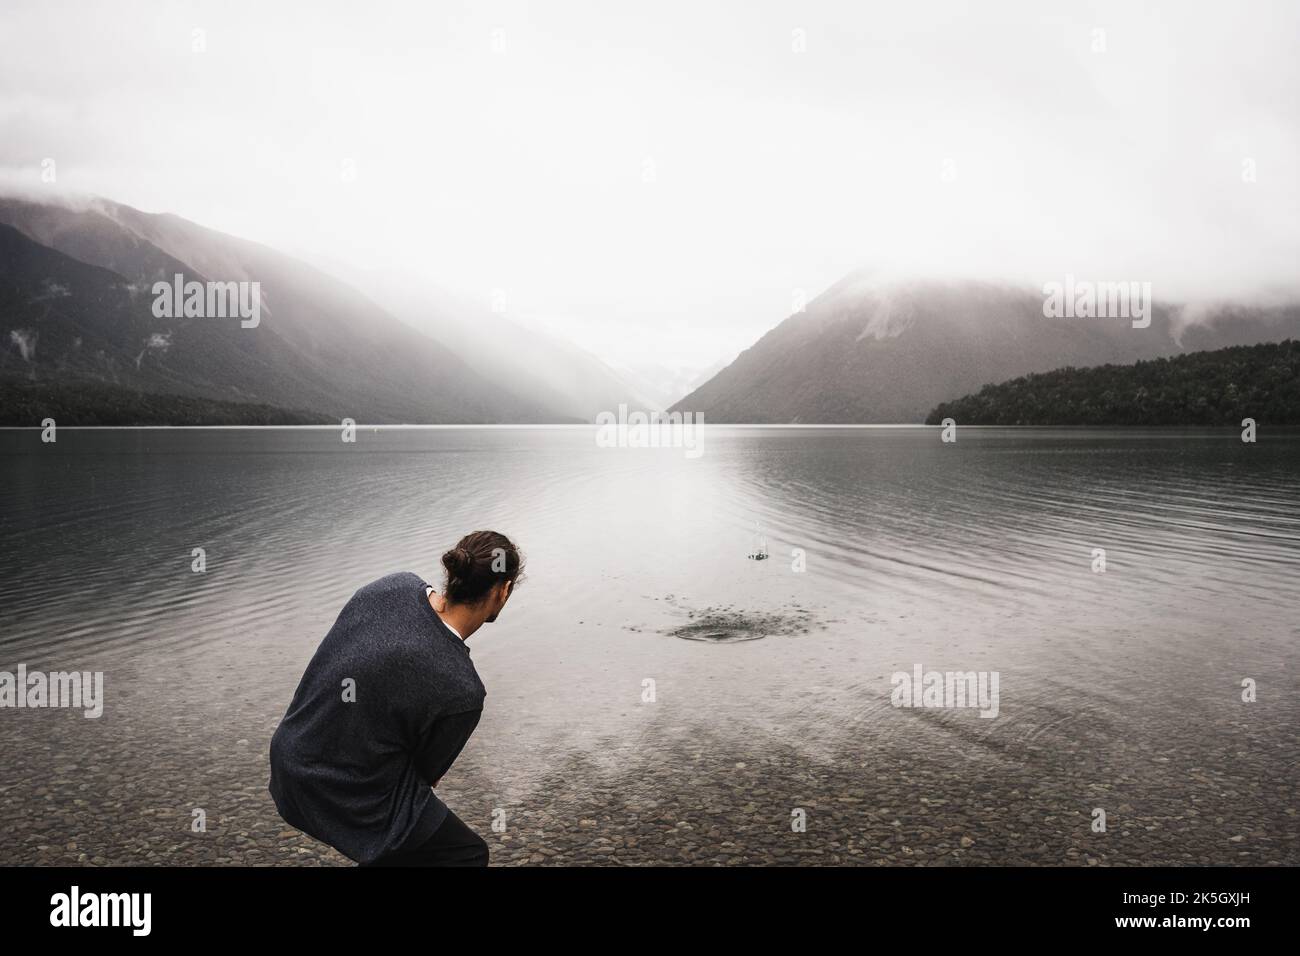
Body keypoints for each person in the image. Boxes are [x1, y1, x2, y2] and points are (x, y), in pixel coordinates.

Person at [268, 530, 523, 866]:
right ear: (503, 591)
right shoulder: (463, 689)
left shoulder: (392, 586)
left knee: (404, 845)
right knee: (466, 855)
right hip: (331, 790)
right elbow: (422, 780)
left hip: (289, 759)